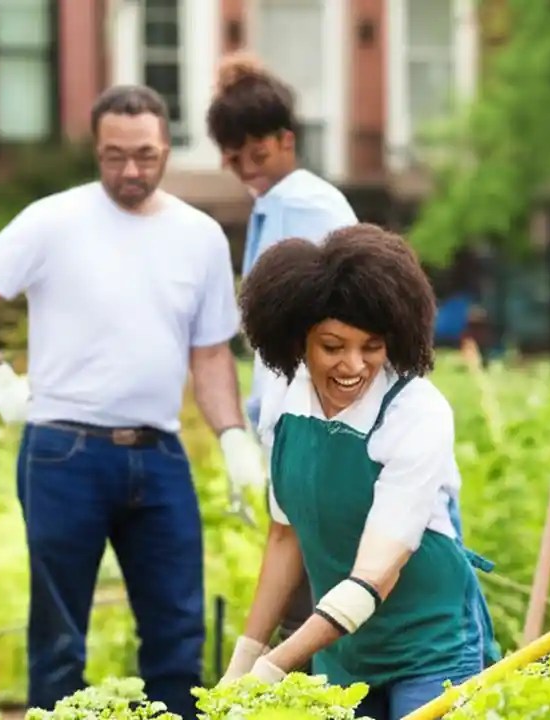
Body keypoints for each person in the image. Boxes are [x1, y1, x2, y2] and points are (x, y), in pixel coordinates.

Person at [0, 84, 266, 716]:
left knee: (178, 633)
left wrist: (232, 438)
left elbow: (209, 356)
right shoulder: (54, 220)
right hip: (64, 451)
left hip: (159, 453)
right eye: (114, 156)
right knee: (60, 639)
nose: (130, 171)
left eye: (145, 155)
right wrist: (1, 378)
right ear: (96, 150)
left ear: (168, 148)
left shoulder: (199, 237)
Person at [219, 224, 500, 720]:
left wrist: (273, 669)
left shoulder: (414, 411)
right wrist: (241, 663)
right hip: (342, 648)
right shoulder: (285, 403)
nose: (354, 365)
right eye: (333, 346)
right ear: (297, 340)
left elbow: (375, 576)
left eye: (372, 346)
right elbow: (286, 537)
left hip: (430, 646)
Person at [205, 51, 358, 665]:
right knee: (301, 598)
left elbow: (339, 328)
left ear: (287, 140)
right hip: (292, 428)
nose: (250, 171)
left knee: (313, 605)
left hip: (325, 426)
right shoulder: (274, 208)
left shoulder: (310, 207)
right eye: (236, 161)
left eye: (259, 156)